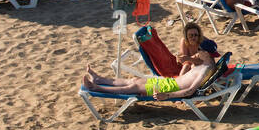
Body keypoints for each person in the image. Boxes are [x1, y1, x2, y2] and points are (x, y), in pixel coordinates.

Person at [82, 49, 217, 99]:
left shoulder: (206, 69)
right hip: (169, 82)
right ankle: (99, 79)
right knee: (135, 80)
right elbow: (187, 69)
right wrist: (188, 60)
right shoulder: (201, 63)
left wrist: (167, 96)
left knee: (133, 88)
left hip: (170, 88)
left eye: (199, 53)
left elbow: (189, 91)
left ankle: (96, 88)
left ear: (206, 55)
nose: (196, 55)